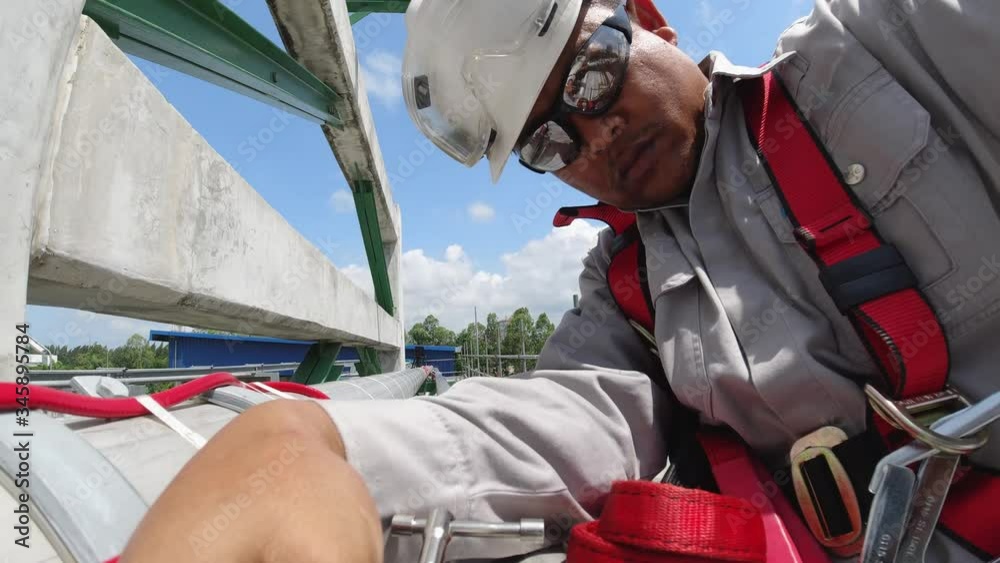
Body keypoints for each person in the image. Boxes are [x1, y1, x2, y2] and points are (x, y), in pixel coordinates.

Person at [118, 0, 1000, 561]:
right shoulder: (629, 294)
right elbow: (553, 423)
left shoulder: (883, 49)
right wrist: (316, 443)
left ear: (649, 23)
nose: (598, 138)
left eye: (593, 75)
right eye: (550, 143)